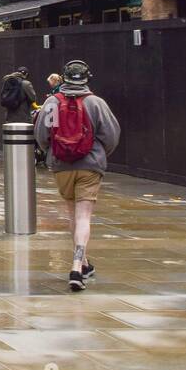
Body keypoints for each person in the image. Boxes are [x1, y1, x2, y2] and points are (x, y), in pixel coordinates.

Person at [34, 60, 121, 293]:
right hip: (90, 165)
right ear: (86, 79)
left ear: (64, 78)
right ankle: (76, 266)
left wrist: (51, 153)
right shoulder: (96, 103)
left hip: (61, 165)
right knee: (84, 217)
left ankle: (83, 262)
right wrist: (98, 154)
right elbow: (112, 135)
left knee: (72, 213)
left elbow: (42, 134)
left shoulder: (51, 102)